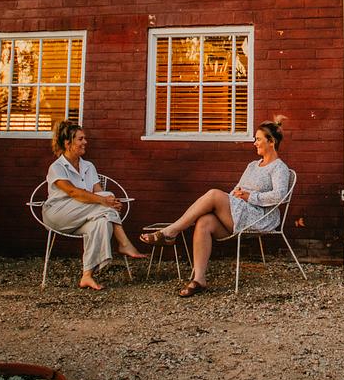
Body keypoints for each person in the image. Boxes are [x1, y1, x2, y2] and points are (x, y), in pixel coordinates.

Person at [140, 117, 292, 297]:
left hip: (260, 217)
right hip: (241, 212)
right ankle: (199, 279)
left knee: (213, 194)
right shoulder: (252, 165)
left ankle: (170, 232)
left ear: (271, 141)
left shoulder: (279, 168)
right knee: (204, 221)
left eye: (258, 139)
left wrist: (250, 196)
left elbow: (280, 196)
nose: (254, 143)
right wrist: (236, 195)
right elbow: (238, 188)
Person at [43, 121, 144, 290]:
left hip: (83, 216)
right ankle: (124, 243)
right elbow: (73, 193)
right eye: (80, 139)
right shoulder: (57, 167)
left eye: (85, 138)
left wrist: (110, 202)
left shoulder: (88, 166)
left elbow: (99, 193)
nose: (85, 142)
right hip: (58, 214)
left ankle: (87, 275)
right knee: (105, 202)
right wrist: (106, 202)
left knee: (102, 221)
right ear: (68, 143)